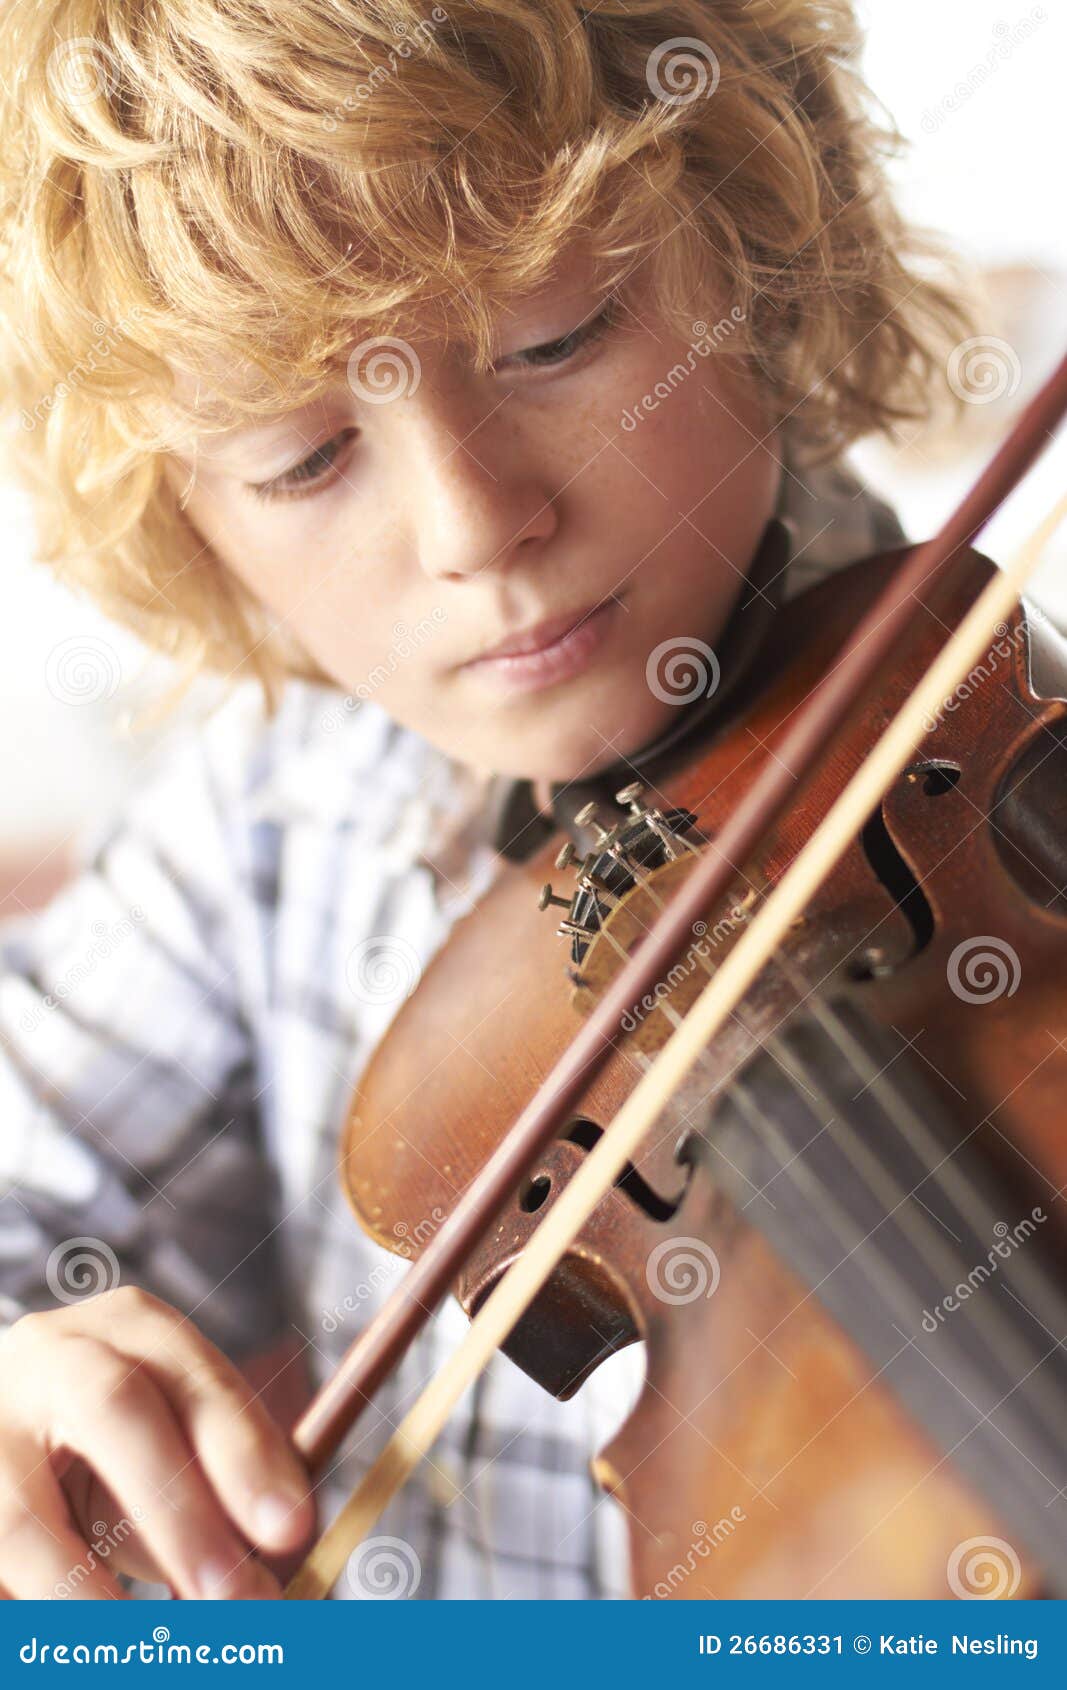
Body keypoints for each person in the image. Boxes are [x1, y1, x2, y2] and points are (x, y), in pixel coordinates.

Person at [0, 0, 972, 1599]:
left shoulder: (1016, 802)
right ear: (190, 516)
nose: (473, 526)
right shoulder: (275, 810)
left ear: (757, 244)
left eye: (555, 339)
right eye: (304, 459)